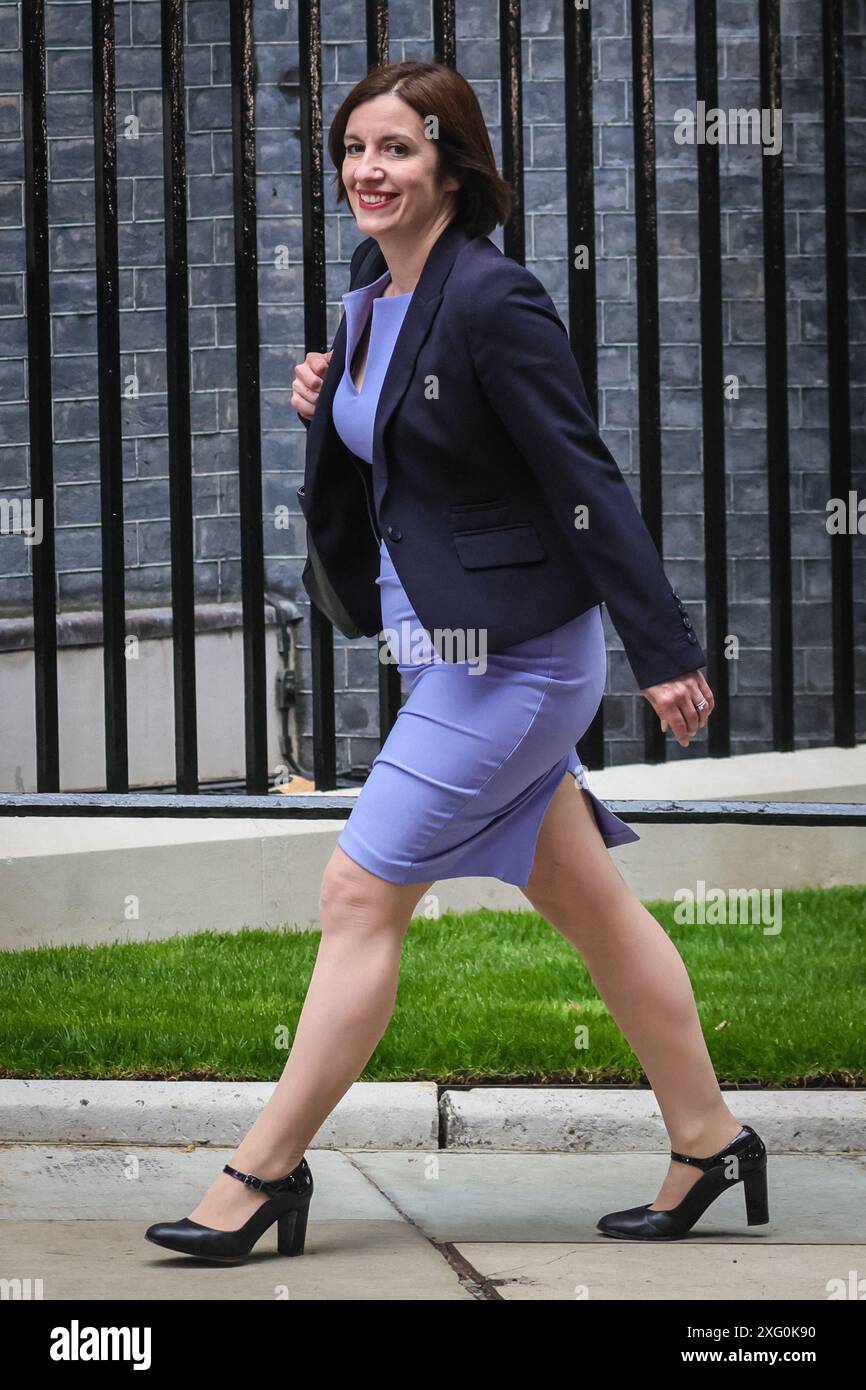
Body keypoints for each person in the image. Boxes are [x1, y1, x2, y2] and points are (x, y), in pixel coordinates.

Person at [145, 62, 768, 1263]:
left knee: (355, 891)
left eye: (395, 150)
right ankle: (709, 1138)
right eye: (352, 150)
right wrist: (324, 403)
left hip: (520, 665)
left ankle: (259, 1174)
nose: (367, 172)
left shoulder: (495, 297)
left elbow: (579, 476)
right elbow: (414, 451)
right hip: (445, 656)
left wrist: (662, 649)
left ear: (450, 164)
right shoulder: (369, 298)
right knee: (588, 907)